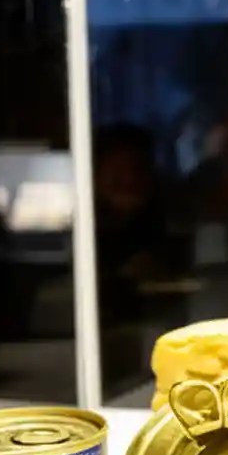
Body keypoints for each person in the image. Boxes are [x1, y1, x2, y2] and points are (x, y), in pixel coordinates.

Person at [92, 123, 168, 323]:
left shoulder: (164, 223)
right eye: (117, 172)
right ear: (95, 176)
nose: (129, 179)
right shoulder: (81, 231)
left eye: (138, 169)